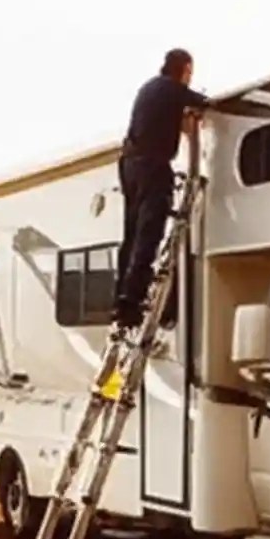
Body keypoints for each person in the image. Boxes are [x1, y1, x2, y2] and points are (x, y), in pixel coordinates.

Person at [113, 48, 209, 331]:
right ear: (185, 69)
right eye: (190, 72)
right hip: (152, 165)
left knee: (131, 235)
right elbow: (206, 103)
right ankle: (133, 301)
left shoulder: (150, 89)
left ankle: (121, 300)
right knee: (149, 232)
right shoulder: (173, 89)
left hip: (129, 164)